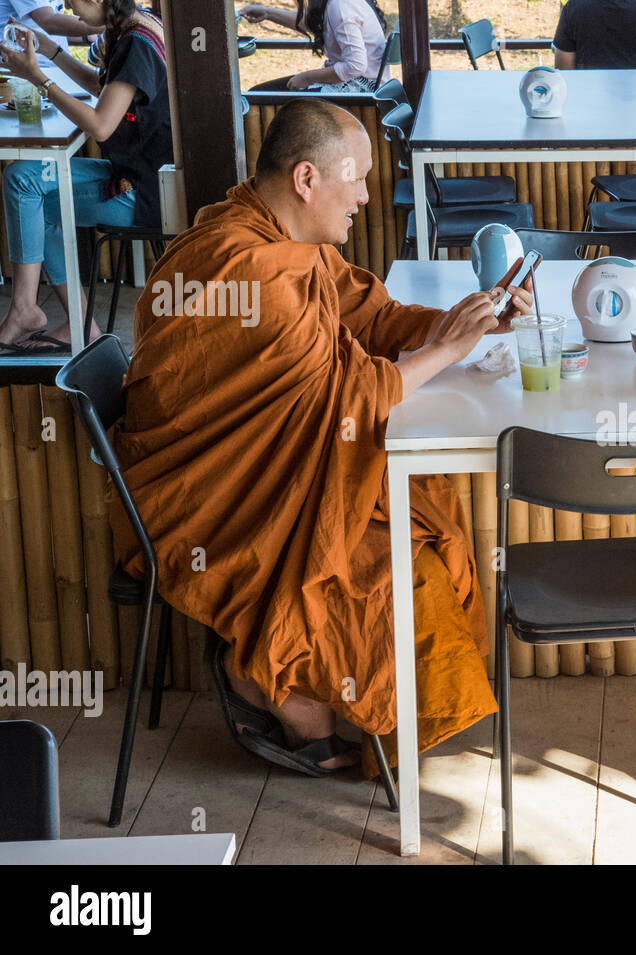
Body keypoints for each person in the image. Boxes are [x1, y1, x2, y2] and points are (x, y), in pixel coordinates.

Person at [109, 99, 534, 775]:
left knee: (419, 517)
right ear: (306, 179)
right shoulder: (248, 268)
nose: (367, 196)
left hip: (268, 476)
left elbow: (370, 315)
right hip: (219, 509)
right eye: (357, 178)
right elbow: (344, 401)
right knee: (388, 565)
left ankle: (319, 695)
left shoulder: (281, 240)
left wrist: (467, 321)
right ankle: (270, 680)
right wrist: (447, 351)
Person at [0, 0, 171, 352]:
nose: (68, 7)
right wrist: (52, 51)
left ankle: (34, 312)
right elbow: (102, 90)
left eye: (73, 0)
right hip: (139, 174)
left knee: (30, 193)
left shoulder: (135, 41)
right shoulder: (139, 23)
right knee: (23, 177)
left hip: (144, 192)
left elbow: (101, 125)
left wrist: (38, 77)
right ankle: (46, 314)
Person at [240, 0, 387, 92]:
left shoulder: (340, 5)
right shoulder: (335, 5)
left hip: (360, 88)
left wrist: (306, 77)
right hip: (360, 81)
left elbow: (356, 66)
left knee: (259, 97)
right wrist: (268, 13)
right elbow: (314, 22)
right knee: (260, 93)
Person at [1, 0, 97, 67]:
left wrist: (88, 37)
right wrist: (106, 24)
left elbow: (54, 29)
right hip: (29, 70)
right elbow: (49, 22)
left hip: (56, 65)